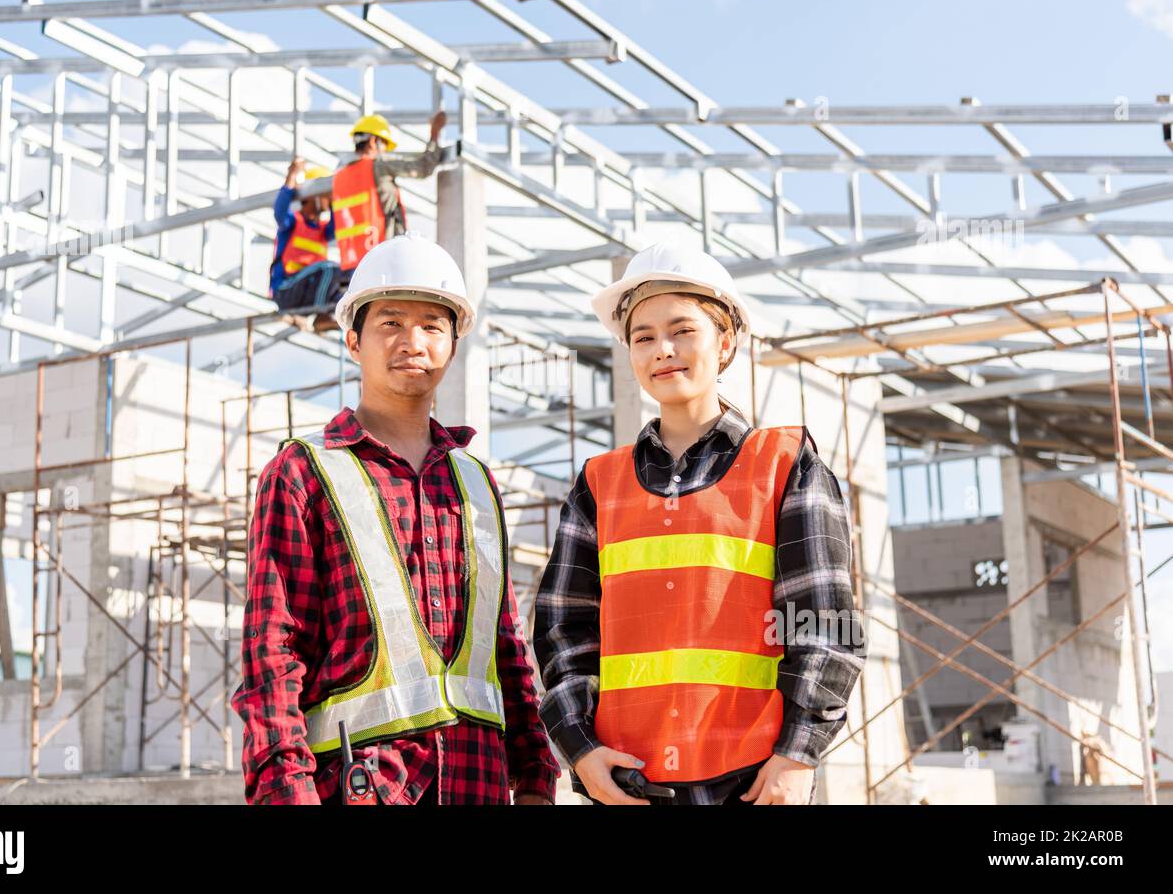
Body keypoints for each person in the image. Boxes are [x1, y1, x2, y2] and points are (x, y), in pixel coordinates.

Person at [533, 241, 867, 806]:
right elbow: (563, 633)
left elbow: (826, 625)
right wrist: (581, 750)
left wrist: (797, 755)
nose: (662, 350)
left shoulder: (785, 464)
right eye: (643, 337)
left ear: (725, 342)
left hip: (754, 783)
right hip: (629, 785)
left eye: (682, 330)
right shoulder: (598, 484)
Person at [233, 232, 559, 805]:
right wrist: (286, 791)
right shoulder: (304, 473)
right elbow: (273, 652)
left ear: (454, 345)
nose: (413, 341)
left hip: (476, 784)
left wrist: (535, 777)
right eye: (390, 323)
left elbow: (505, 646)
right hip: (361, 788)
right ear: (353, 340)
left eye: (434, 325)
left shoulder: (477, 485)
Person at [330, 110, 446, 278]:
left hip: (350, 266)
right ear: (373, 141)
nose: (384, 151)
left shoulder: (339, 177)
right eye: (384, 144)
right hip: (380, 261)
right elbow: (422, 167)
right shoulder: (379, 166)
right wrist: (435, 134)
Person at [269, 159, 339, 323]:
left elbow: (337, 227)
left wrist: (335, 199)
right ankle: (322, 315)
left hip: (305, 292)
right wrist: (291, 176)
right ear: (313, 196)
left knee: (344, 279)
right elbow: (280, 212)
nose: (328, 201)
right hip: (285, 289)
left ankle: (326, 312)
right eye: (325, 196)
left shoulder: (322, 230)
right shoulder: (293, 222)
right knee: (329, 267)